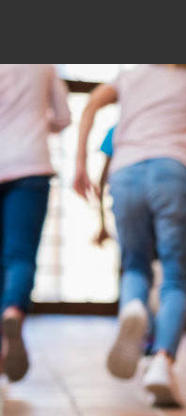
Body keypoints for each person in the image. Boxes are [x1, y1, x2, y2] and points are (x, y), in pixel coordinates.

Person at [73, 64, 186, 407]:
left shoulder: (131, 75)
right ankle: (161, 363)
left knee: (134, 267)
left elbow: (91, 104)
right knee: (174, 276)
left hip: (125, 175)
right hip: (174, 173)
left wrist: (80, 162)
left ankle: (132, 307)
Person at [0, 64, 72, 382]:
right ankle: (14, 310)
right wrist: (39, 121)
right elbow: (64, 117)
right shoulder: (44, 66)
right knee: (21, 255)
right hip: (31, 164)